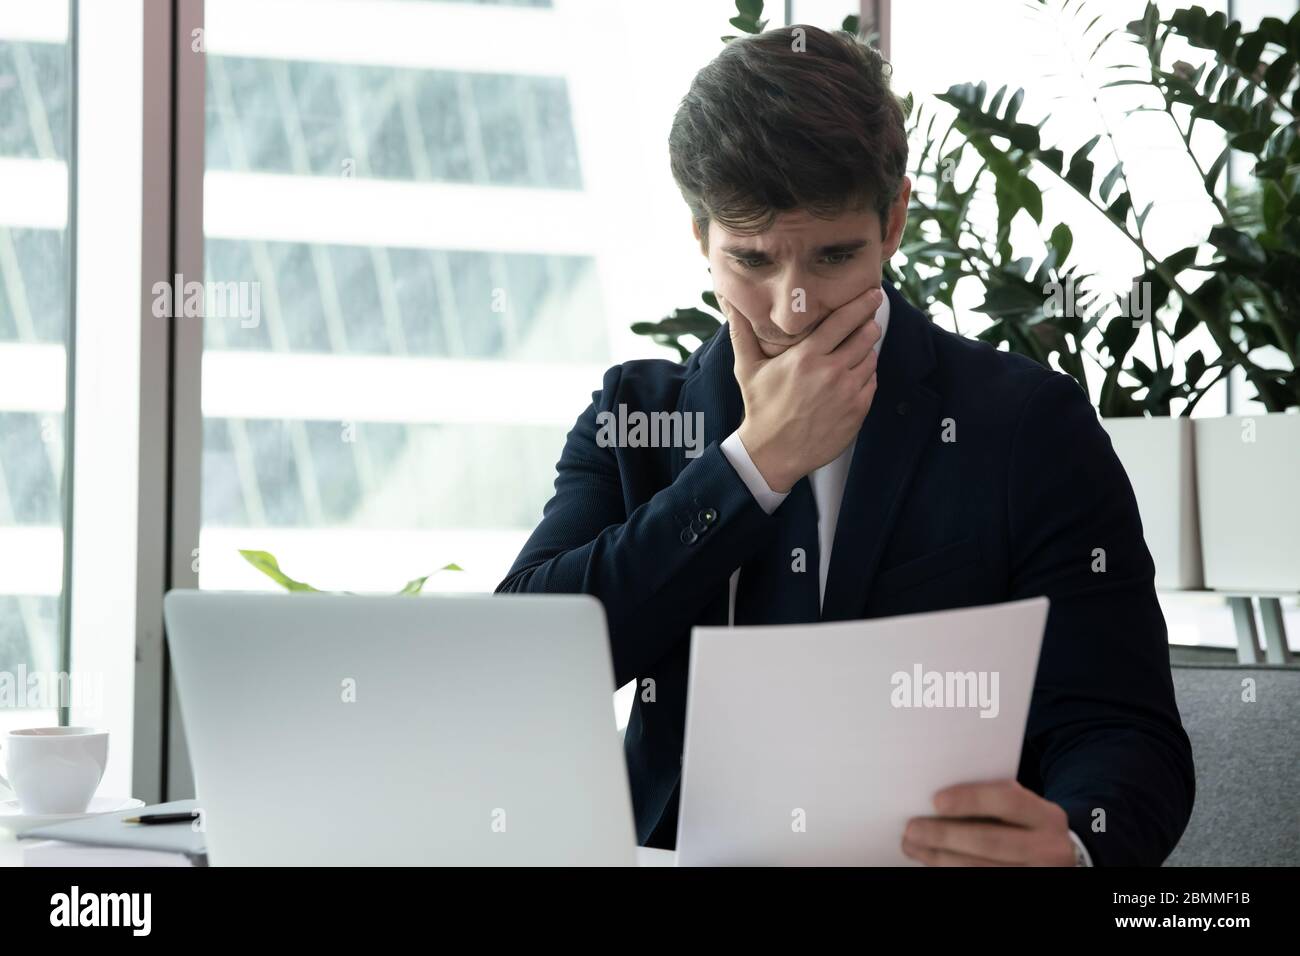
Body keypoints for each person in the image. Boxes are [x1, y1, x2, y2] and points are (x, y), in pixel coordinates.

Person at [497, 24, 1194, 866]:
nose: (794, 307)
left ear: (893, 219)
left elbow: (1124, 731)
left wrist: (1077, 847)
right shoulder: (636, 417)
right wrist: (750, 469)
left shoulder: (1025, 427)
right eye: (751, 259)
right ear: (700, 237)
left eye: (834, 256)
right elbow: (523, 671)